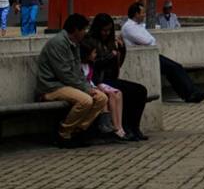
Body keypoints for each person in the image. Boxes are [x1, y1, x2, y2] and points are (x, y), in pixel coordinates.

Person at [35, 13, 108, 148]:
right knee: (85, 100)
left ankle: (78, 131)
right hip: (52, 87)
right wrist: (86, 89)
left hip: (68, 85)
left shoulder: (75, 43)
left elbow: (77, 72)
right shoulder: (58, 43)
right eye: (83, 30)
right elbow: (65, 74)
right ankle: (63, 133)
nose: (85, 33)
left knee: (101, 98)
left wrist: (89, 87)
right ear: (75, 30)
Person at [121, 1, 204, 103]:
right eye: (142, 13)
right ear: (136, 14)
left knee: (176, 67)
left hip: (150, 54)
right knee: (173, 68)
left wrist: (151, 41)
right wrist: (151, 41)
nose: (144, 15)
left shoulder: (138, 26)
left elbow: (150, 40)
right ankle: (190, 94)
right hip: (142, 58)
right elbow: (148, 41)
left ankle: (191, 93)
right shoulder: (129, 27)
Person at [88, 12, 149, 141]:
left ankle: (134, 127)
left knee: (140, 90)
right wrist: (110, 56)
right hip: (99, 80)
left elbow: (118, 64)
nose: (106, 33)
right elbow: (93, 64)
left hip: (111, 79)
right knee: (128, 91)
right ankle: (124, 128)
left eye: (109, 30)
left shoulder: (110, 42)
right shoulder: (91, 42)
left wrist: (122, 49)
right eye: (104, 30)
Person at [80, 37, 129, 142]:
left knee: (118, 93)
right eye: (93, 53)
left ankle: (119, 127)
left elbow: (96, 79)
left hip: (96, 85)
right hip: (89, 88)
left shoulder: (91, 65)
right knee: (110, 95)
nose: (95, 55)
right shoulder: (80, 66)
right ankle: (111, 126)